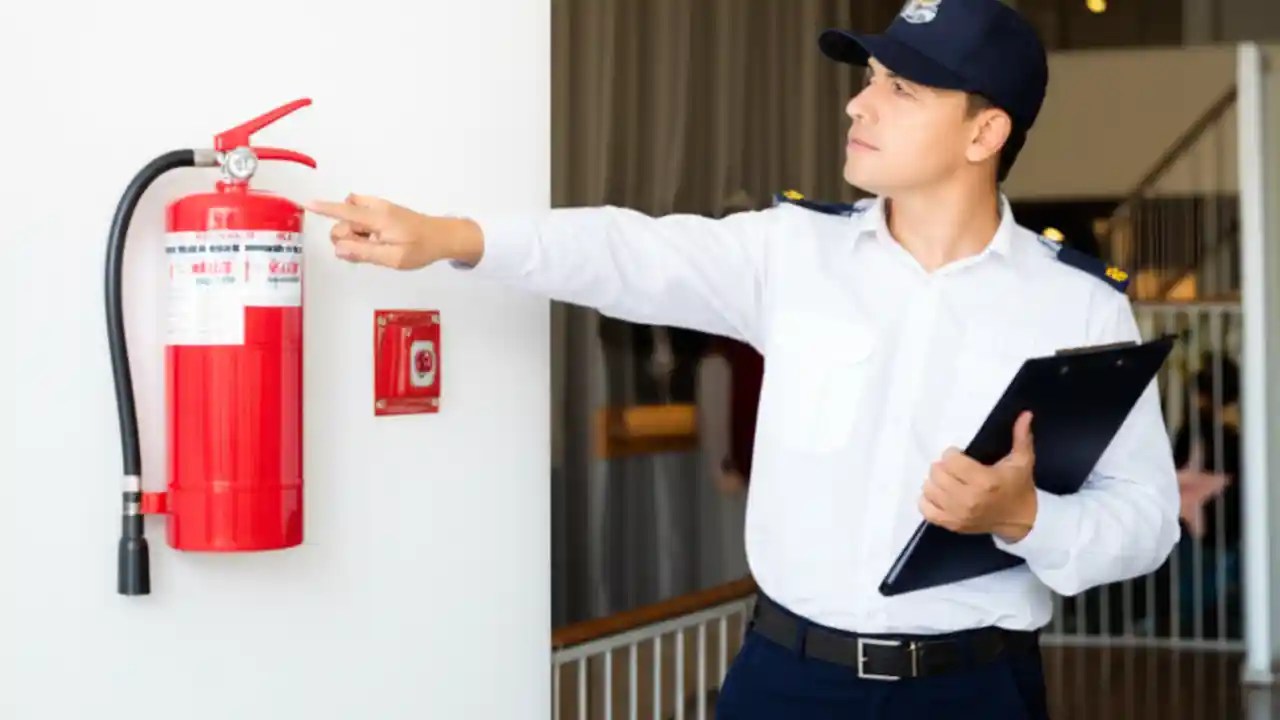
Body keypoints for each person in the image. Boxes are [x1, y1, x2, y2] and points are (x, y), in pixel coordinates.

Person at [306, 0, 1180, 716]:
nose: (858, 105)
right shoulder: (790, 253)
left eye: (902, 89)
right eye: (868, 80)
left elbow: (1144, 523)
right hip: (787, 681)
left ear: (985, 132)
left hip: (975, 691)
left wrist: (1027, 516)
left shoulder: (1079, 304)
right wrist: (451, 237)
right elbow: (625, 252)